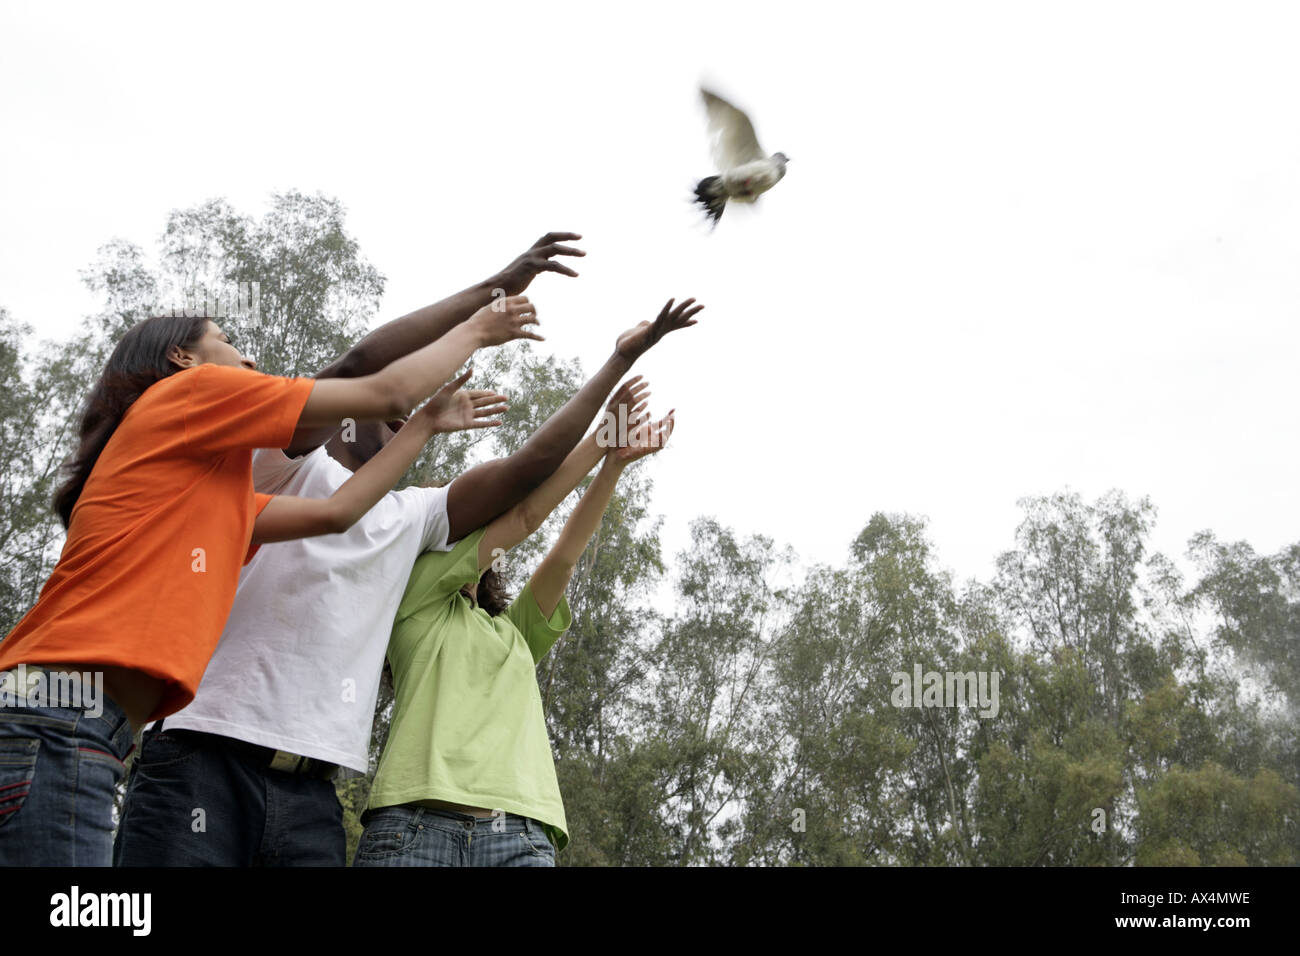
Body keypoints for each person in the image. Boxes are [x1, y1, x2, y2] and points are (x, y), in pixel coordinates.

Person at [113, 266, 702, 866]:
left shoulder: (414, 518)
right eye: (392, 402)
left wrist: (615, 367)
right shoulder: (279, 466)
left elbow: (525, 480)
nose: (406, 409)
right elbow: (360, 366)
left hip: (312, 790)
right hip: (202, 753)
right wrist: (491, 296)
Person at [0, 295, 539, 866]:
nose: (248, 357)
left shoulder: (216, 497)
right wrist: (478, 327)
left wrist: (425, 425)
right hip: (58, 718)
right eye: (228, 340)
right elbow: (383, 390)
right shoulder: (186, 391)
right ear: (182, 357)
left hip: (82, 729)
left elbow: (337, 513)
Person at [353, 389, 676, 866]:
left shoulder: (514, 634)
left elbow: (565, 558)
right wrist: (597, 439)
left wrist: (613, 466)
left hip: (518, 839)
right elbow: (525, 516)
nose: (488, 529)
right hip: (413, 831)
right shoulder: (414, 603)